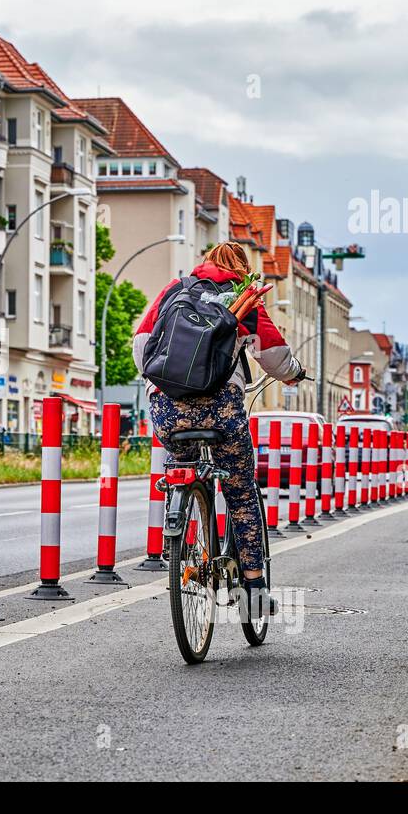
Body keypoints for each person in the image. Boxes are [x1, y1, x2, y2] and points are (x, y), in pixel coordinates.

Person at [132, 242, 305, 618]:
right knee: (241, 492)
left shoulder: (175, 290)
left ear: (205, 264)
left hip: (167, 408)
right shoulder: (244, 298)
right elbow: (272, 355)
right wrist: (294, 374)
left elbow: (142, 345)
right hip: (221, 410)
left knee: (179, 468)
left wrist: (162, 385)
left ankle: (178, 546)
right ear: (241, 269)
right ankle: (255, 591)